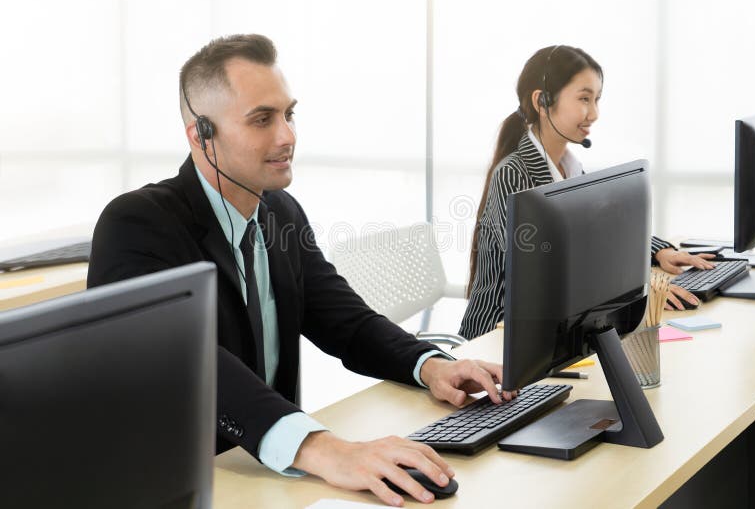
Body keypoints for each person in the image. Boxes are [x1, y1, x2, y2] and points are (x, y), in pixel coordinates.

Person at [88, 34, 514, 507]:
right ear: (201, 136)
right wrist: (323, 449)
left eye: (289, 114)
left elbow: (345, 321)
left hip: (264, 478)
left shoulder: (280, 213)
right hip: (177, 486)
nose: (287, 136)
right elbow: (188, 361)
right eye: (262, 119)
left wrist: (430, 365)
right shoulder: (138, 224)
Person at [459, 45, 716, 340]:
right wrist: (639, 286)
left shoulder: (570, 167)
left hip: (552, 332)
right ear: (542, 101)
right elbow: (543, 270)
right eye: (584, 99)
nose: (594, 113)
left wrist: (660, 251)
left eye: (597, 100)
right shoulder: (514, 174)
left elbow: (606, 233)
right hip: (497, 336)